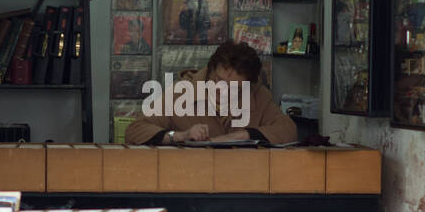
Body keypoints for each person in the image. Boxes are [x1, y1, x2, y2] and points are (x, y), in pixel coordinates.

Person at [125, 41, 297, 145]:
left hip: (243, 183)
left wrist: (243, 135)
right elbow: (135, 130)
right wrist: (181, 136)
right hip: (189, 182)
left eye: (233, 88)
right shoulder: (182, 91)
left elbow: (288, 129)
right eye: (218, 81)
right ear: (210, 71)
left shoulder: (258, 94)